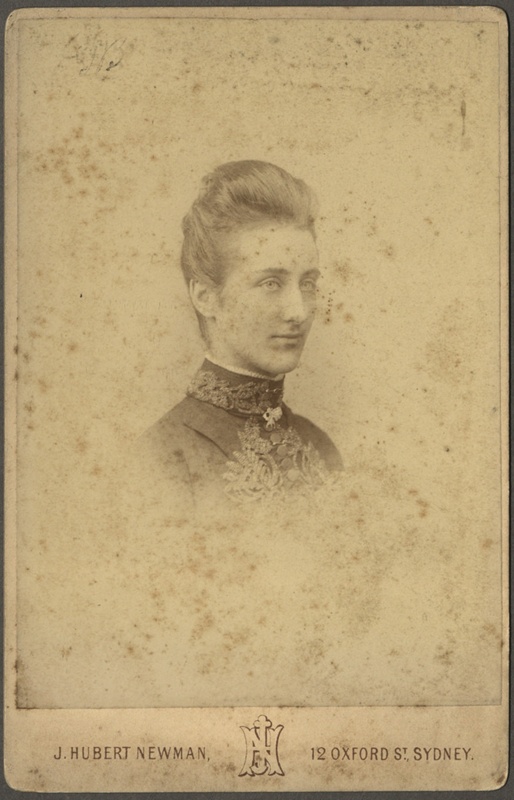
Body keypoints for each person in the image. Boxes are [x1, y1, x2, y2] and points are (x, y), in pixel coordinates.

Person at [139, 160, 342, 510]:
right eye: (270, 283)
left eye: (307, 283)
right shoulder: (161, 459)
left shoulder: (320, 447)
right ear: (205, 297)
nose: (298, 311)